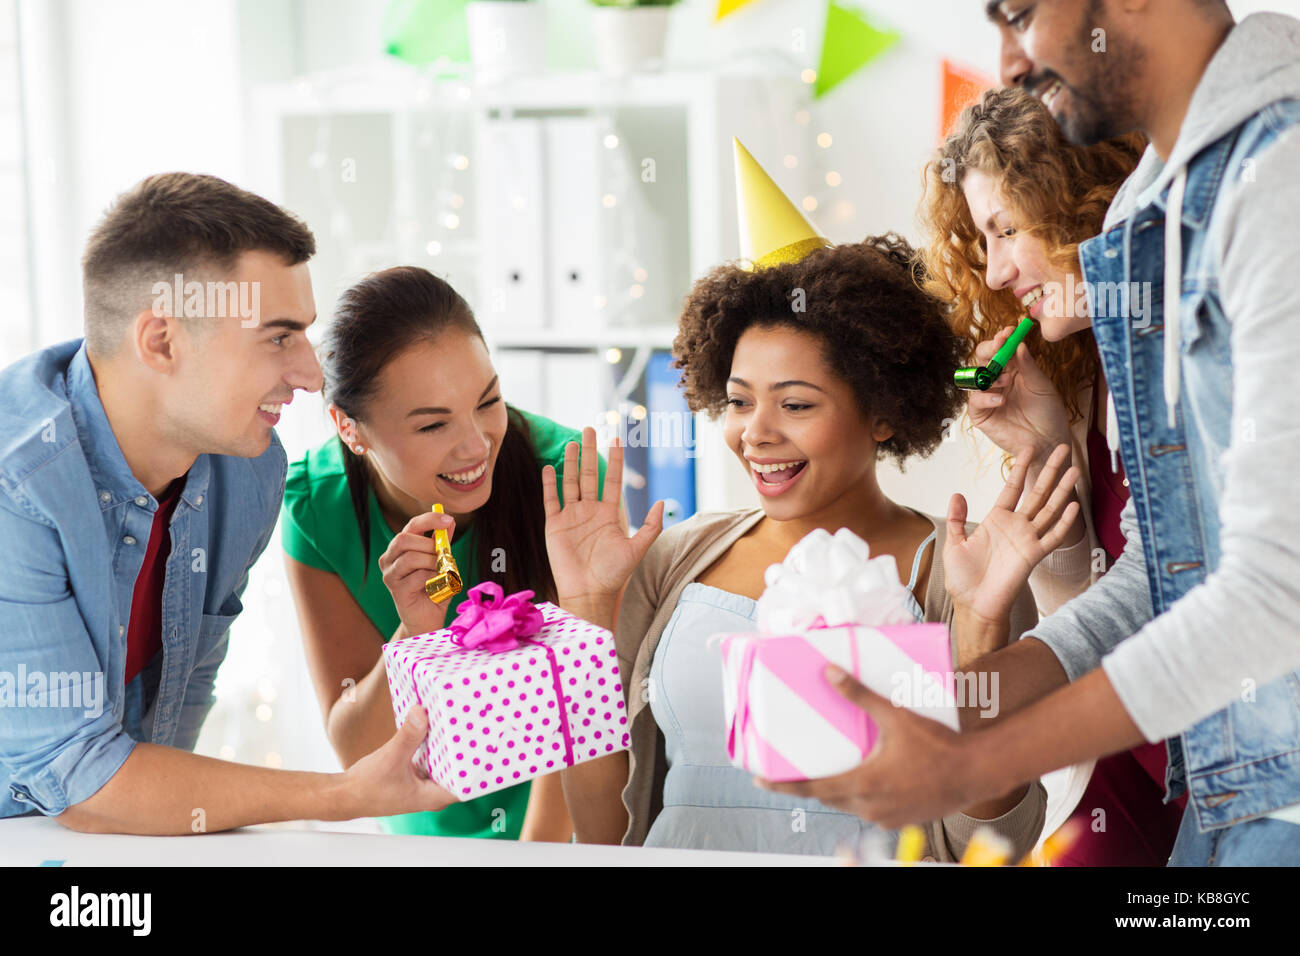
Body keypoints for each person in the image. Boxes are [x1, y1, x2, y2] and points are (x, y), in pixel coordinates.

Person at [766, 2, 1300, 865]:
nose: (1010, 63)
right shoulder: (1154, 212)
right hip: (1231, 781)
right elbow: (1160, 581)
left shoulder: (1276, 180)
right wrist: (956, 696)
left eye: (1020, 15)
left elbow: (1273, 593)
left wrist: (971, 754)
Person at [545, 197, 1082, 856]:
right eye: (739, 401)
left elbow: (992, 841)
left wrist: (977, 627)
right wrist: (590, 608)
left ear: (882, 412)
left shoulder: (964, 567)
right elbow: (604, 835)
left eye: (795, 404)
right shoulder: (675, 559)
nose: (756, 434)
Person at [0, 173, 453, 834]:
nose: (311, 372)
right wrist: (347, 794)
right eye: (278, 337)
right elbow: (83, 781)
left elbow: (167, 726)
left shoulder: (247, 474)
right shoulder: (21, 484)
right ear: (161, 341)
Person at [919, 86, 1182, 865]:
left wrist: (982, 692)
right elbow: (1095, 596)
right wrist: (1047, 449)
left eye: (1006, 230)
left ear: (1083, 202)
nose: (996, 272)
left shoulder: (1181, 349)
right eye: (982, 240)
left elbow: (1160, 585)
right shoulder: (1092, 372)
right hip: (1132, 762)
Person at [280, 266, 596, 841]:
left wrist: (537, 857)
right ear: (350, 429)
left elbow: (582, 713)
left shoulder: (568, 476)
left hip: (561, 828)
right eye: (432, 425)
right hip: (422, 826)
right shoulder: (315, 503)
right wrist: (413, 629)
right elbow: (358, 749)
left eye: (488, 401)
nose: (476, 445)